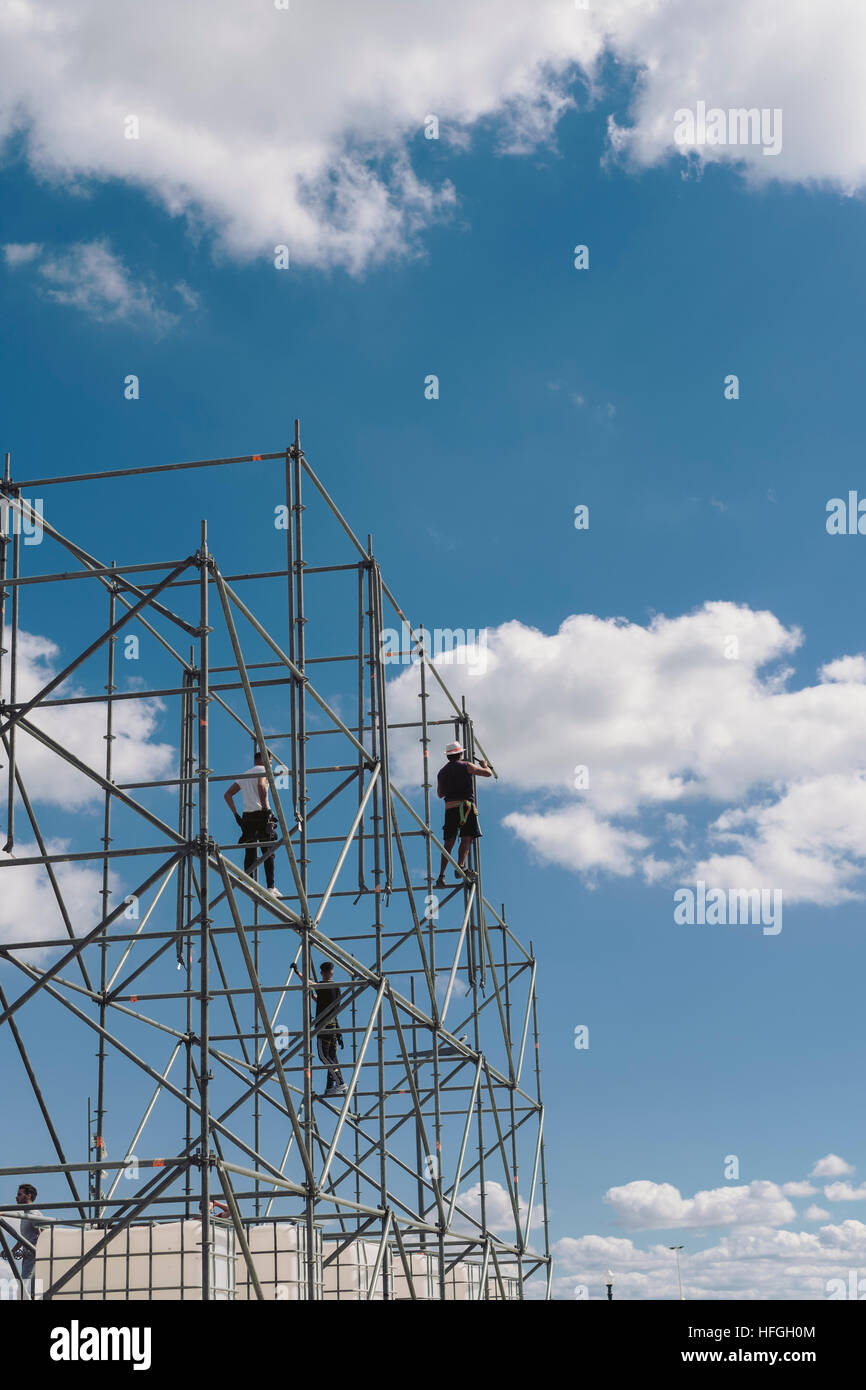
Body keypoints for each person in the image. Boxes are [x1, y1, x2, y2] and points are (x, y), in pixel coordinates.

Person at [434, 740, 492, 888]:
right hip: (466, 807)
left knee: (449, 842)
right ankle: (461, 867)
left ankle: (441, 876)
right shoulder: (466, 766)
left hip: (450, 808)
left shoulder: (441, 772)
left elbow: (440, 794)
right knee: (467, 837)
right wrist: (484, 764)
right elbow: (488, 774)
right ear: (460, 753)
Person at [224, 749, 279, 895]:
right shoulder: (263, 770)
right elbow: (261, 785)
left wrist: (236, 815)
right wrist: (266, 808)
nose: (271, 765)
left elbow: (227, 794)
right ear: (263, 760)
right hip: (261, 815)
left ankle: (250, 883)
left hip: (247, 816)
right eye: (270, 762)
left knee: (250, 851)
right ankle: (270, 888)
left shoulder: (245, 774)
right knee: (268, 851)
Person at [312, 962, 346, 1098]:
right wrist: (339, 1032)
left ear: (322, 973)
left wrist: (297, 973)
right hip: (333, 1026)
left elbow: (308, 983)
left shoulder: (322, 986)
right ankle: (330, 1087)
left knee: (323, 1056)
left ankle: (340, 1082)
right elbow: (324, 1003)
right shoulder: (336, 988)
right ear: (332, 972)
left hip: (323, 1026)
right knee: (332, 1058)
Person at [9, 1183, 47, 1300]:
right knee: (27, 1290)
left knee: (26, 1290)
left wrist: (33, 1249)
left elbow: (42, 1235)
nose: (17, 1197)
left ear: (28, 1196)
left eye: (20, 1194)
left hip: (33, 1258)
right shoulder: (26, 1215)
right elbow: (24, 1238)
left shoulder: (33, 1214)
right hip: (28, 1258)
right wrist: (11, 1250)